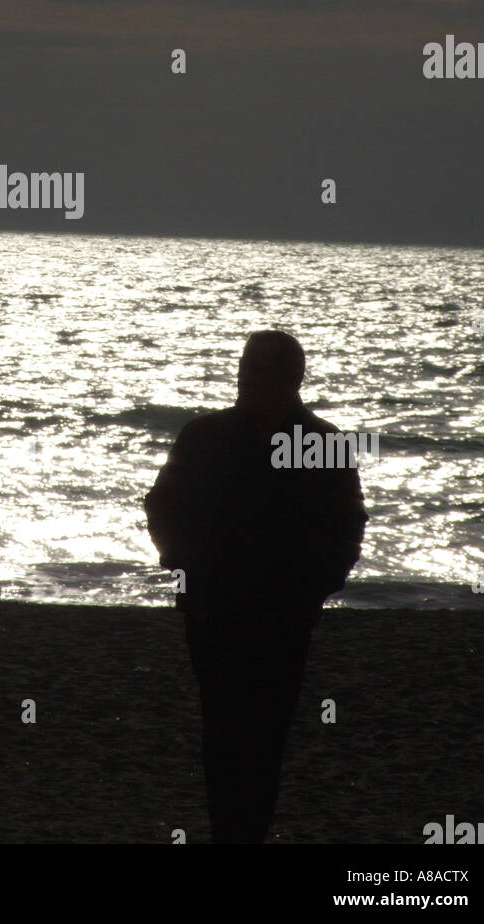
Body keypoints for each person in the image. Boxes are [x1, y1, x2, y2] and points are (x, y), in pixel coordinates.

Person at [144, 329, 368, 844]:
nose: (251, 377)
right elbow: (162, 507)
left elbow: (346, 525)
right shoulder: (204, 436)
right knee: (222, 725)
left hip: (282, 613)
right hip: (213, 607)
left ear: (294, 378)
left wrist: (317, 585)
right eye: (248, 365)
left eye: (265, 368)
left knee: (266, 731)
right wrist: (181, 564)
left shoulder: (323, 444)